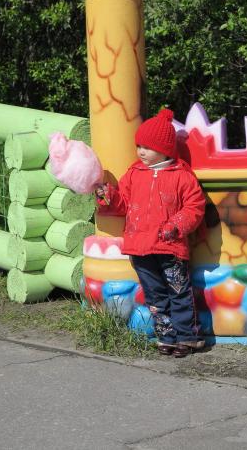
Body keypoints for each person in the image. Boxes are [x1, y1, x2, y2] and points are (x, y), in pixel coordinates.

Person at [95, 108, 206, 358]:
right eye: (138, 146)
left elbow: (195, 206)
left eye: (147, 147)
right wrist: (108, 197)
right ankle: (166, 337)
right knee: (156, 296)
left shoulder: (182, 176)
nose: (141, 152)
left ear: (165, 148)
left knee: (179, 292)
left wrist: (177, 224)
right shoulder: (134, 174)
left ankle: (187, 337)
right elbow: (122, 202)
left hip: (170, 246)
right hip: (140, 248)